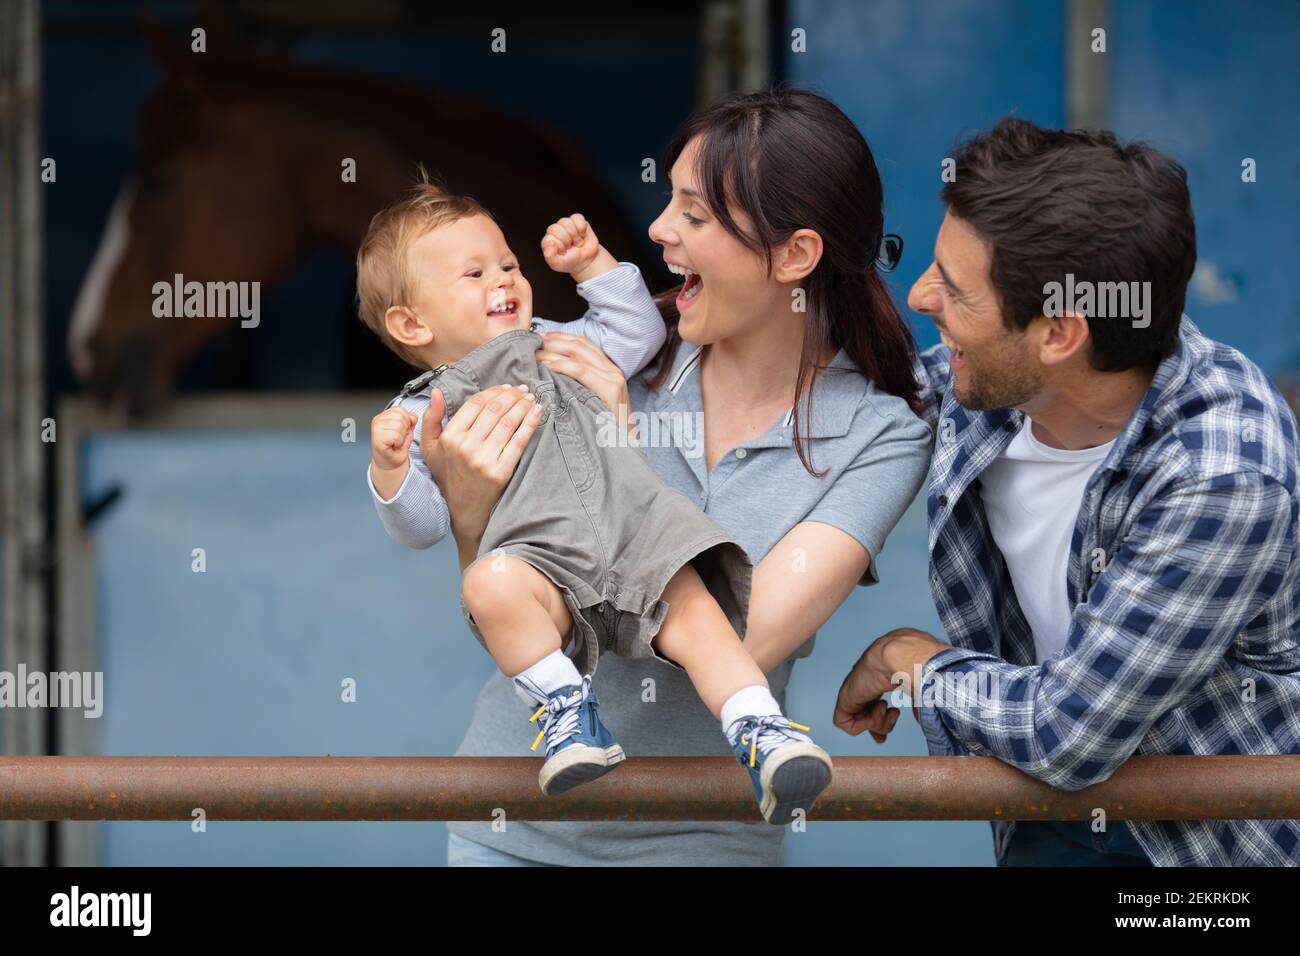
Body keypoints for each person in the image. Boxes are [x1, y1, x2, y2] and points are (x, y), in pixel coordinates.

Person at [423, 87, 932, 865]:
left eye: (694, 215)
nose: (656, 229)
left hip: (703, 839)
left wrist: (614, 448)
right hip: (509, 826)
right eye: (670, 203)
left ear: (795, 256)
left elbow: (741, 640)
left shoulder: (881, 433)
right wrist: (468, 514)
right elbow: (515, 608)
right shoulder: (616, 348)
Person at [835, 117, 1300, 867]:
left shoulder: (1223, 473)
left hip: (1200, 849)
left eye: (954, 288)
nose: (920, 296)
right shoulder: (992, 380)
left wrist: (912, 660)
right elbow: (840, 403)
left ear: (1060, 334)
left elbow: (1068, 732)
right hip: (1043, 808)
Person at [360, 173, 834, 820]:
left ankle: (761, 731)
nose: (504, 280)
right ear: (411, 322)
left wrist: (594, 266)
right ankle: (566, 712)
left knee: (697, 619)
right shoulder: (421, 414)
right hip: (539, 563)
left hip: (635, 529)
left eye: (508, 264)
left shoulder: (560, 341)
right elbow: (421, 527)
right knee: (488, 587)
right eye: (473, 275)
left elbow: (636, 331)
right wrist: (391, 472)